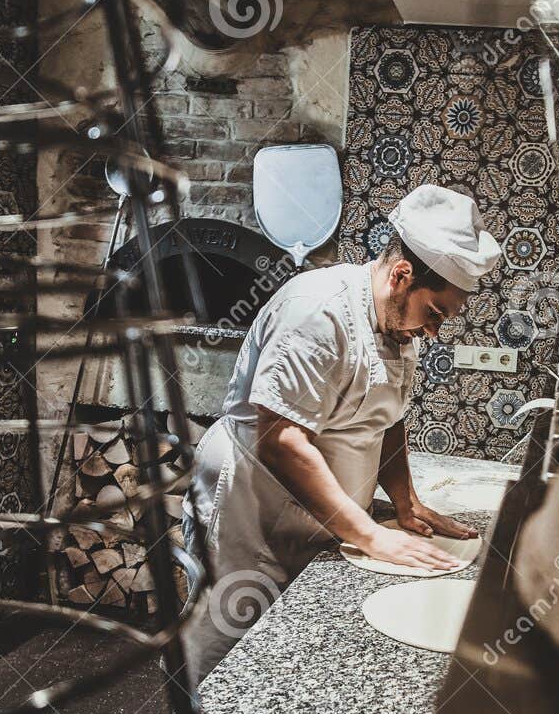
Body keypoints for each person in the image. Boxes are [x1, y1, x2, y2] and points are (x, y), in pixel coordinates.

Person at [181, 184, 501, 679]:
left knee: (283, 654)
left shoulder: (399, 322)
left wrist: (404, 501)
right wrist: (370, 535)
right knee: (226, 638)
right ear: (401, 276)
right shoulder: (319, 311)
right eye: (434, 314)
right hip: (251, 505)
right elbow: (281, 441)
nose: (434, 331)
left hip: (320, 515)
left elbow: (388, 419)